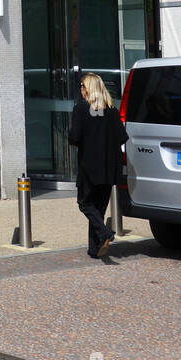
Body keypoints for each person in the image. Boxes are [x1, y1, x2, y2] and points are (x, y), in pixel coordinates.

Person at [68, 72, 129, 259]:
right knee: (98, 208)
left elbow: (74, 137)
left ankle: (104, 233)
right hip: (109, 166)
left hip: (89, 165)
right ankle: (94, 249)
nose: (81, 89)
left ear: (90, 88)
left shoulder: (81, 109)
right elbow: (122, 137)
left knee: (85, 203)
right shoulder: (110, 109)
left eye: (83, 86)